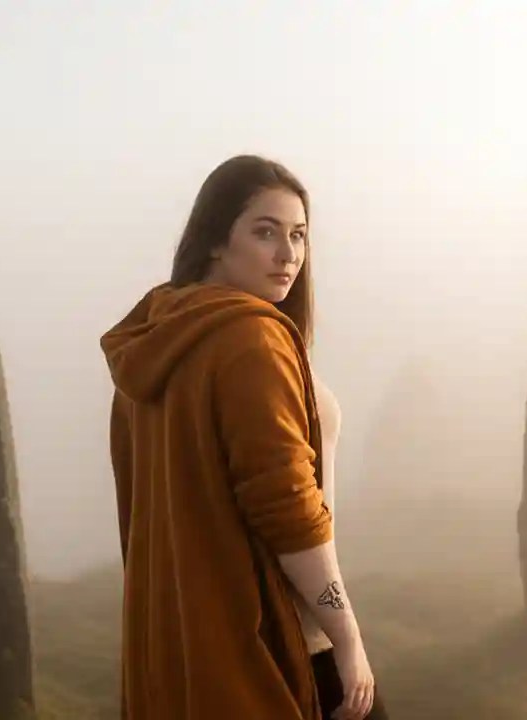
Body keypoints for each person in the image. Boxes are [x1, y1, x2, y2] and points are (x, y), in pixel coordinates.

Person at [101, 155, 386, 719]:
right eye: (266, 232)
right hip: (283, 646)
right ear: (214, 240)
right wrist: (348, 638)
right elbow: (288, 508)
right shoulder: (251, 339)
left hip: (188, 648)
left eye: (299, 235)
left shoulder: (157, 338)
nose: (289, 255)